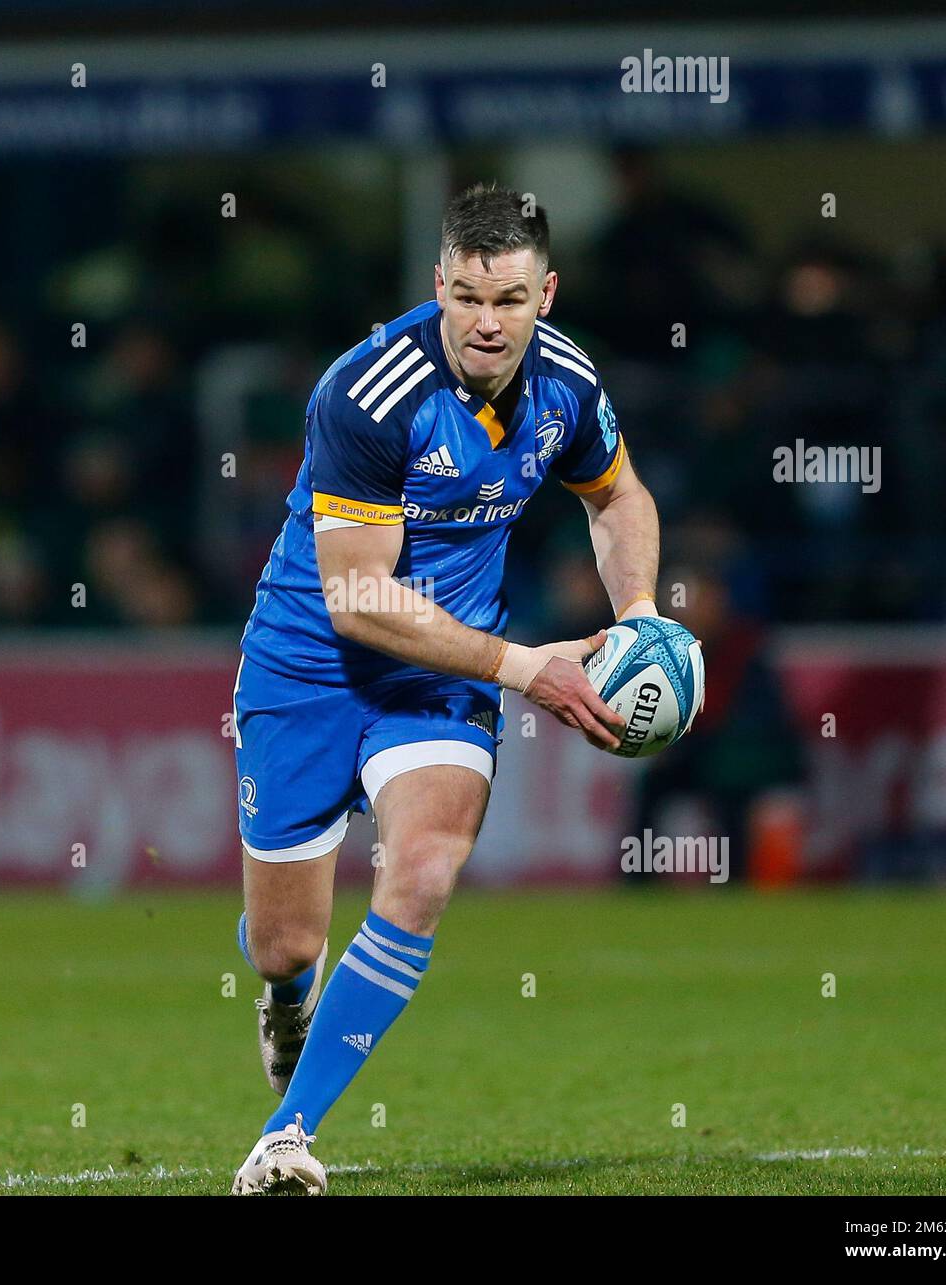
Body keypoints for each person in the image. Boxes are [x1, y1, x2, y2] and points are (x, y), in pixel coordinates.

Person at [229, 183, 667, 1194]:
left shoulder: (568, 385)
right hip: (309, 665)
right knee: (282, 939)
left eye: (508, 299)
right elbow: (355, 598)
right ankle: (287, 990)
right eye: (466, 296)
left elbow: (618, 495)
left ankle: (285, 1137)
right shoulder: (367, 393)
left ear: (544, 293)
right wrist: (527, 670)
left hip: (437, 684)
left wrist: (638, 610)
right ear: (438, 284)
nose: (485, 322)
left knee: (422, 868)